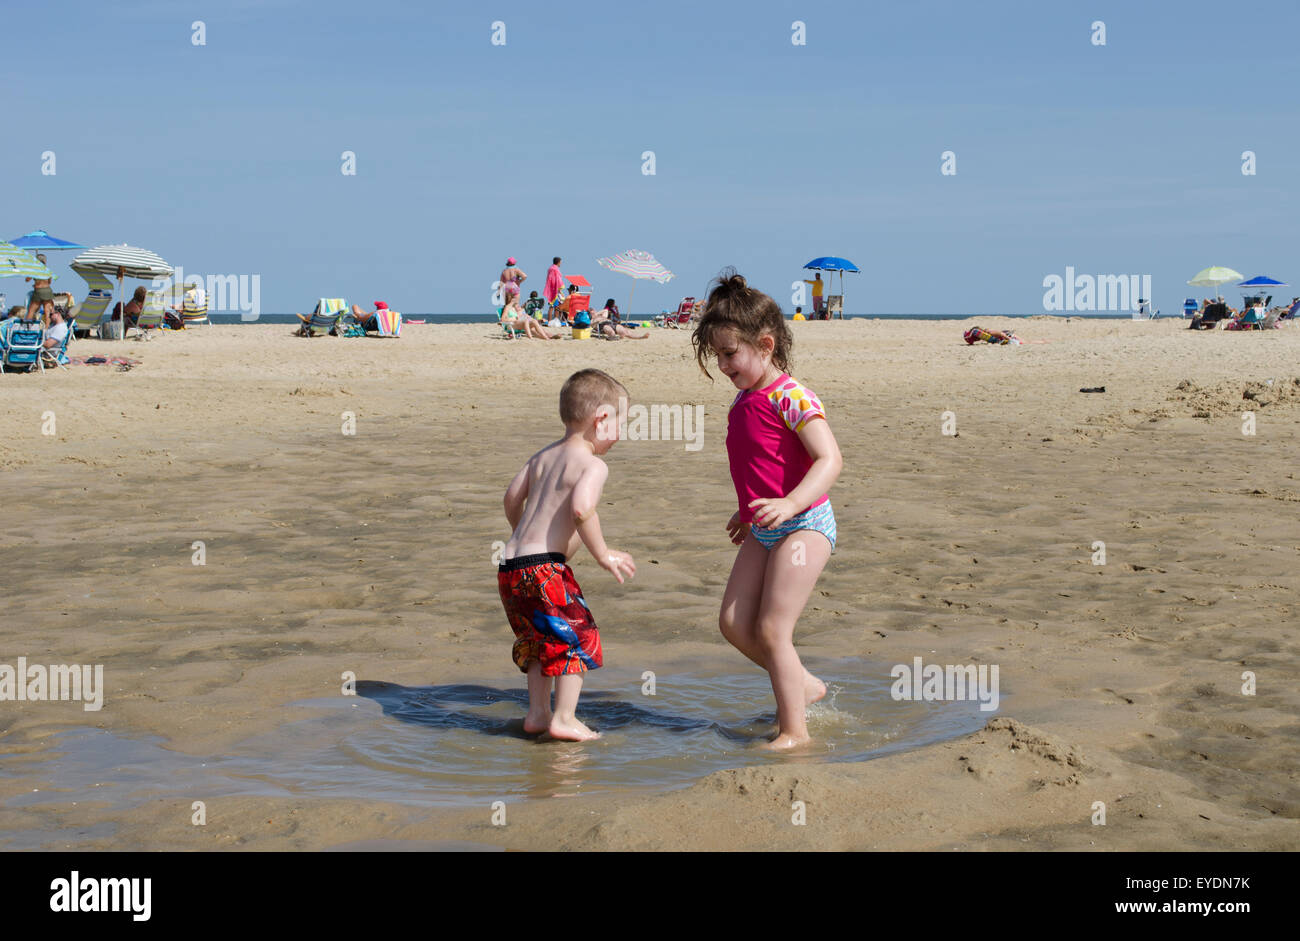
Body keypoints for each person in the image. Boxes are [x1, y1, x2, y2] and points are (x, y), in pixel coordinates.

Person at [690, 270, 843, 750]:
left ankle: (794, 732)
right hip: (766, 525)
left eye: (730, 353)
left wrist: (791, 502)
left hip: (806, 523)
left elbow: (829, 459)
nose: (723, 363)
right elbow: (761, 464)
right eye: (716, 355)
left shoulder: (791, 395)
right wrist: (747, 511)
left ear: (766, 343)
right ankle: (804, 684)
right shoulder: (744, 399)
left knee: (773, 627)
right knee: (734, 624)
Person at [498, 368, 636, 741]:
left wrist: (520, 534)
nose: (622, 434)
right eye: (622, 423)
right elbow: (581, 508)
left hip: (511, 566)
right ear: (601, 419)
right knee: (578, 637)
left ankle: (537, 715)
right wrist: (603, 553)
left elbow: (512, 498)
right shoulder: (593, 464)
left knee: (537, 640)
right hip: (545, 568)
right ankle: (564, 718)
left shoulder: (542, 456)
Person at [26, 254, 56, 325]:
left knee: (32, 310)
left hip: (38, 291)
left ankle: (27, 327)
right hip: (47, 290)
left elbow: (27, 279)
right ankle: (47, 327)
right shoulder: (47, 270)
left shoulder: (34, 270)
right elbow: (49, 282)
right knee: (47, 310)